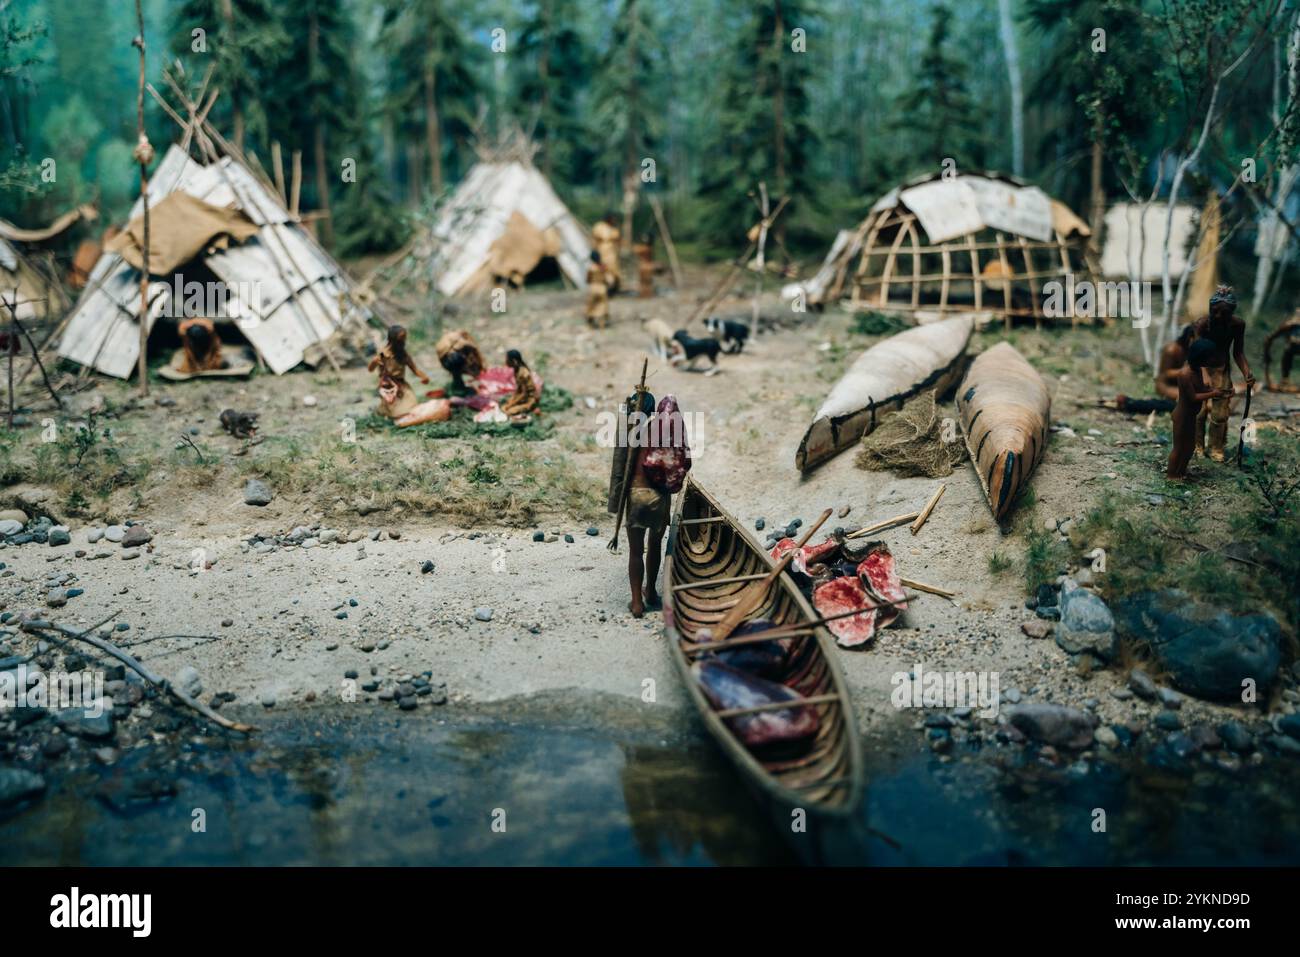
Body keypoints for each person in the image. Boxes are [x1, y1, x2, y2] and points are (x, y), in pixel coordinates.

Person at [1191, 285, 1255, 461]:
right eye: (1214, 311)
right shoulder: (1201, 324)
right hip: (1200, 369)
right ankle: (1197, 445)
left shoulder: (1237, 325)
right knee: (1199, 411)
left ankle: (1216, 447)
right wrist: (1203, 373)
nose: (1218, 316)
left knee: (1220, 414)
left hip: (1221, 369)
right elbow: (1195, 351)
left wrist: (1247, 372)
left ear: (1231, 312)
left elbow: (1238, 352)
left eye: (1223, 313)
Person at [1168, 339, 1235, 479]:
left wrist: (1221, 391)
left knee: (1189, 447)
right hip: (1182, 416)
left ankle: (1181, 471)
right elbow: (1193, 397)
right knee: (1179, 448)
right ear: (1201, 356)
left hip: (1191, 415)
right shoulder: (1184, 374)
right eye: (1210, 357)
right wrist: (1213, 394)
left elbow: (1201, 389)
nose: (1212, 360)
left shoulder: (1197, 370)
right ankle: (1172, 475)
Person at [368, 324, 430, 419]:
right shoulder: (383, 354)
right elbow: (370, 369)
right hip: (389, 387)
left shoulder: (403, 354)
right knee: (398, 413)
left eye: (404, 338)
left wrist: (423, 377)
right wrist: (374, 362)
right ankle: (384, 409)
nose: (403, 341)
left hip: (402, 386)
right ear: (393, 340)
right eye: (401, 339)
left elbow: (414, 369)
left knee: (412, 407)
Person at [434, 327, 485, 395]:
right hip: (452, 360)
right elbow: (474, 351)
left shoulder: (454, 341)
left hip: (449, 361)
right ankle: (458, 385)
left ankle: (457, 383)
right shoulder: (461, 341)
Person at [1155, 324, 1195, 402]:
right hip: (1165, 385)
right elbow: (1165, 373)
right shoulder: (1172, 349)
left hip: (1181, 386)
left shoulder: (1191, 349)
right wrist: (1187, 370)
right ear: (1190, 338)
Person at [1263, 311, 1300, 393]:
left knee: (1289, 350)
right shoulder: (1287, 326)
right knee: (1288, 351)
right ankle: (1285, 379)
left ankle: (1285, 380)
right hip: (1291, 348)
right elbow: (1269, 338)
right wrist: (1267, 354)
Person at [501, 349, 541, 420]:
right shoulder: (517, 370)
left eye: (507, 360)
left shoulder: (523, 373)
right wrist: (512, 401)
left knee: (509, 411)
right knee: (504, 407)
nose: (506, 362)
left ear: (514, 361)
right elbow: (518, 389)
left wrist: (511, 404)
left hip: (529, 399)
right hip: (522, 397)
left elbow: (524, 394)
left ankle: (530, 408)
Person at [591, 215, 622, 294]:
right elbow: (597, 237)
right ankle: (606, 289)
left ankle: (614, 289)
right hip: (602, 252)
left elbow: (617, 238)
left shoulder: (613, 229)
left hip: (612, 253)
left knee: (614, 272)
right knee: (604, 270)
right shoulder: (599, 227)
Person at [585, 251, 609, 330]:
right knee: (602, 306)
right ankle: (602, 324)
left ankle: (590, 325)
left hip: (593, 288)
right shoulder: (603, 267)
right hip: (602, 288)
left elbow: (588, 279)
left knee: (591, 306)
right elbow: (606, 278)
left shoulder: (591, 268)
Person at [633, 233, 656, 299]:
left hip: (644, 266)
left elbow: (635, 250)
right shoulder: (650, 248)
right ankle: (647, 294)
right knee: (647, 282)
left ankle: (645, 294)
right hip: (649, 266)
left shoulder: (645, 248)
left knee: (644, 282)